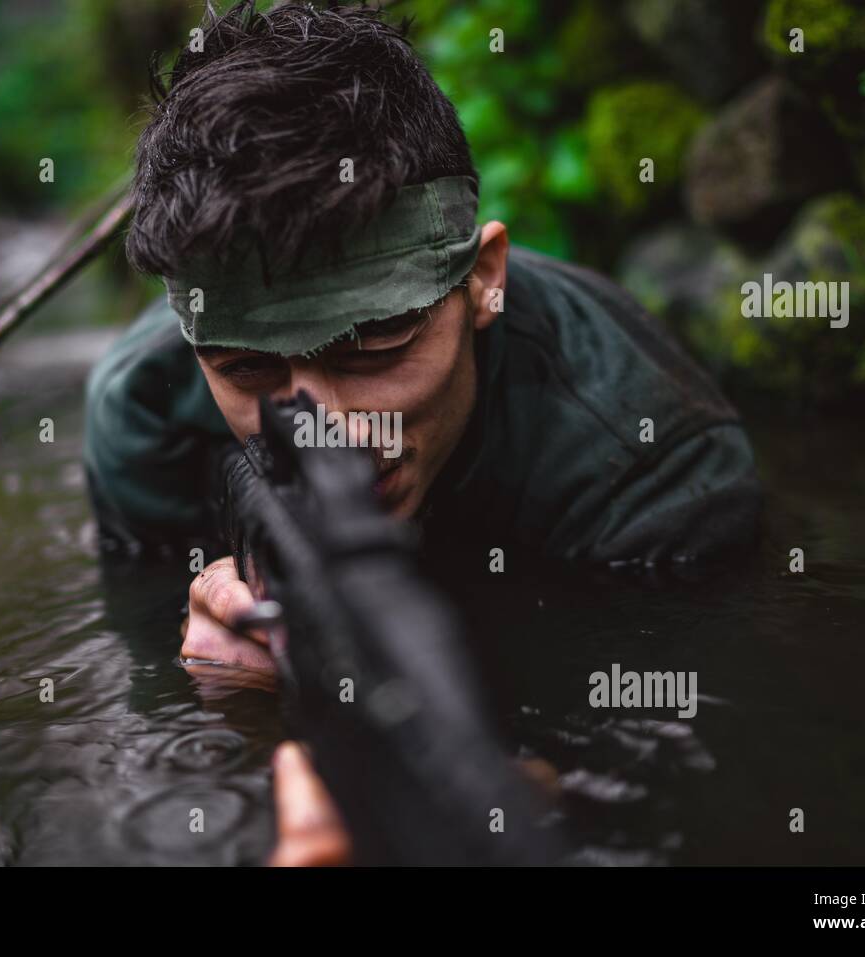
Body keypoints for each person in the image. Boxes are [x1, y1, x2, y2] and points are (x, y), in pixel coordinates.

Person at [84, 2, 762, 865]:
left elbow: (674, 763)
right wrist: (236, 696)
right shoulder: (144, 411)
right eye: (249, 370)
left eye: (379, 346)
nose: (328, 423)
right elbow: (144, 693)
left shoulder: (656, 463)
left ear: (483, 280)